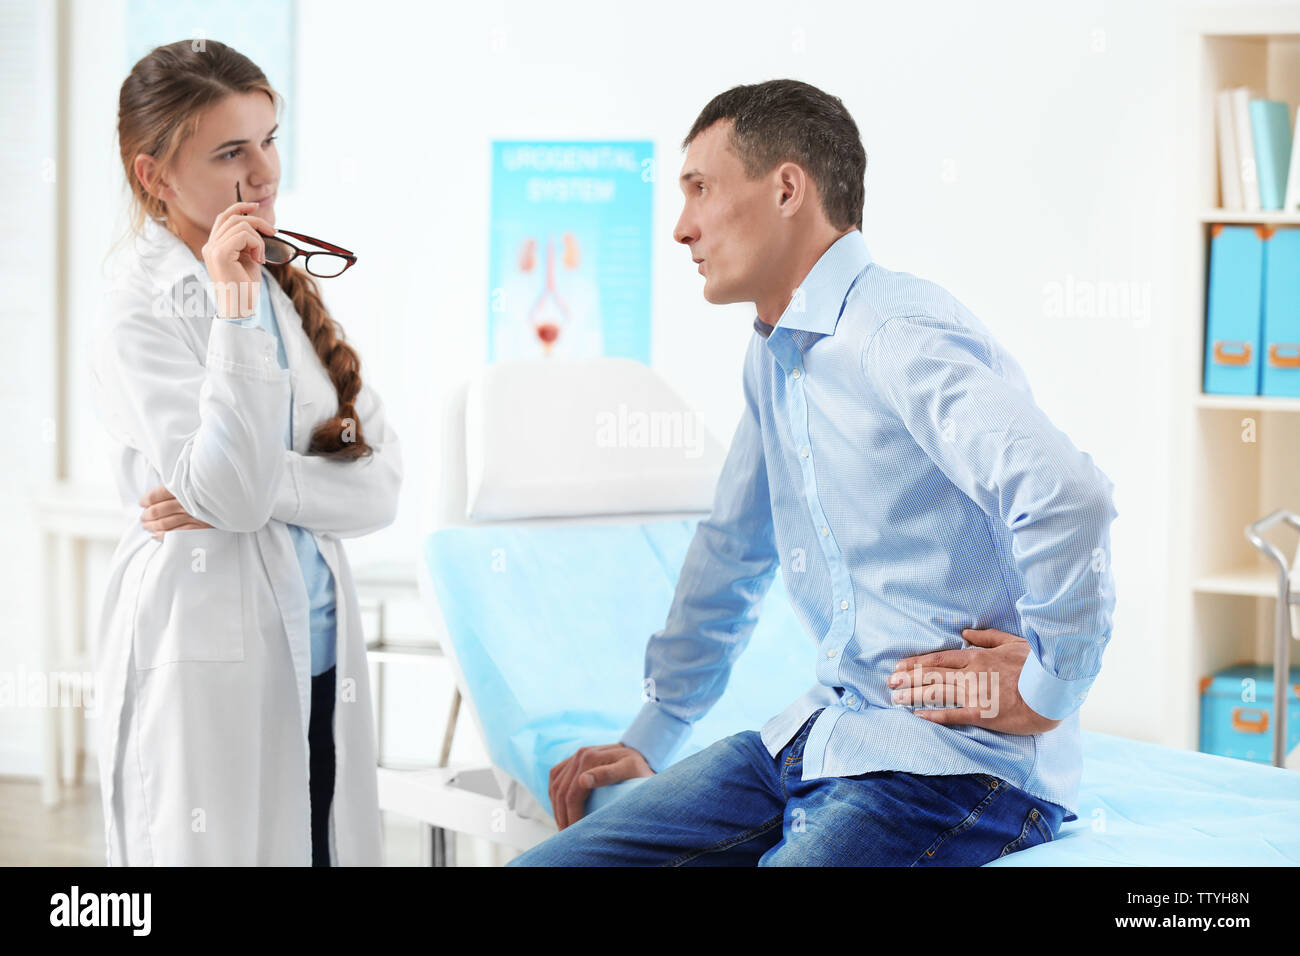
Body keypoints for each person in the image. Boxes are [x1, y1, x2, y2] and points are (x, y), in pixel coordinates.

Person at [511, 79, 1118, 866]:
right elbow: (733, 548)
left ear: (787, 188)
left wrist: (1046, 691)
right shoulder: (775, 356)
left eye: (700, 189)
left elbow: (1069, 496)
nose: (680, 228)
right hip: (813, 739)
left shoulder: (894, 330)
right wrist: (655, 731)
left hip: (950, 767)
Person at [90, 39, 401, 865]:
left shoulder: (287, 290)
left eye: (269, 137)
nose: (264, 170)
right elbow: (229, 494)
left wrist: (256, 486)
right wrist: (230, 313)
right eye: (232, 151)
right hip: (208, 652)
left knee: (323, 848)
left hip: (321, 647)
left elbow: (379, 491)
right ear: (153, 174)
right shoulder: (139, 308)